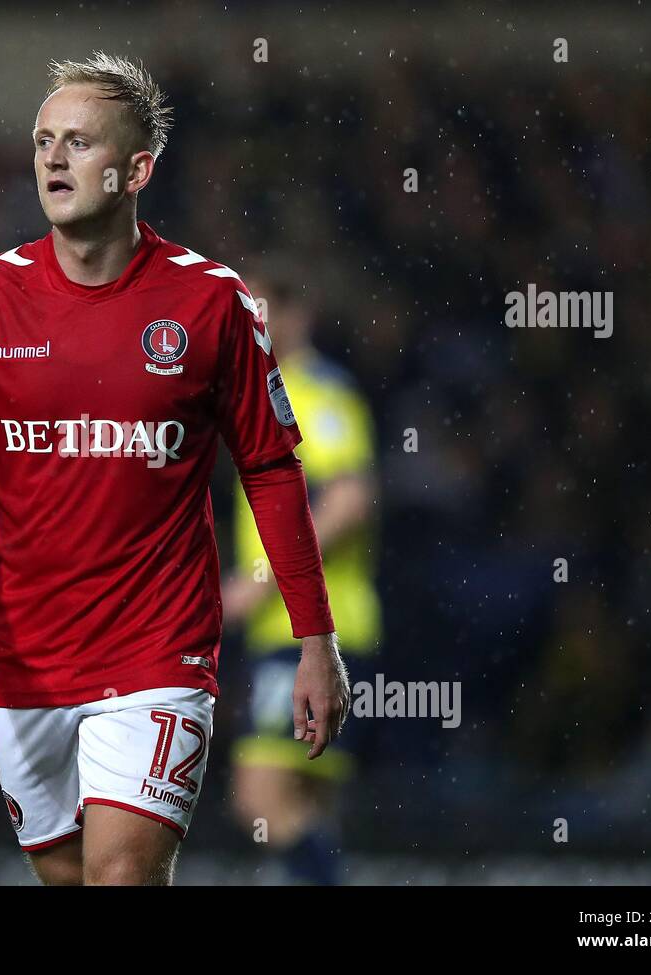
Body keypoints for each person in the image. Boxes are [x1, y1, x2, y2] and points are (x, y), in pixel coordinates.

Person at [0, 52, 350, 886]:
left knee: (122, 879)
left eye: (79, 142)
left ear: (136, 169)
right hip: (26, 656)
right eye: (42, 141)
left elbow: (272, 473)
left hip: (157, 654)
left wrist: (316, 639)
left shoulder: (211, 303)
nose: (54, 160)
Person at [222, 266, 381, 885]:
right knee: (307, 805)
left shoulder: (318, 393)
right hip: (299, 632)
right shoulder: (266, 389)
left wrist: (258, 583)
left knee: (258, 797)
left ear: (293, 314)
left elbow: (349, 501)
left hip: (311, 633)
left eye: (256, 310)